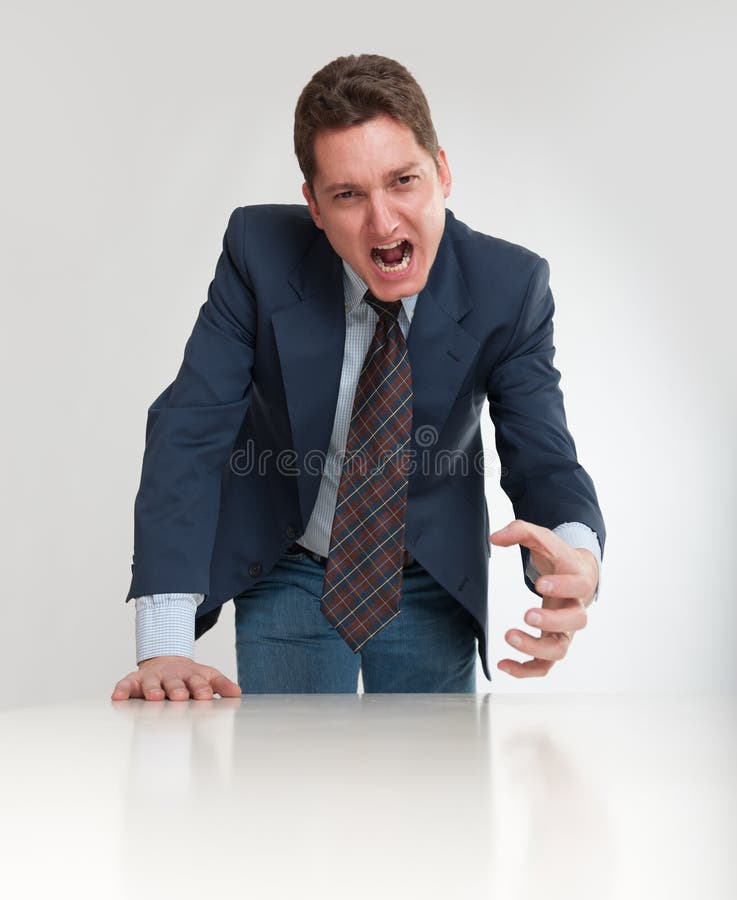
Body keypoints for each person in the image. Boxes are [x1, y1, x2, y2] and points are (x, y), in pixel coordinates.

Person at [112, 54, 604, 701]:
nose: (383, 222)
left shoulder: (509, 286)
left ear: (442, 172)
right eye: (348, 195)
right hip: (293, 568)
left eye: (403, 181)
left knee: (429, 769)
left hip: (429, 575)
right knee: (296, 766)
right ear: (314, 206)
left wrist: (574, 559)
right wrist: (165, 649)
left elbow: (543, 457)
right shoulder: (258, 254)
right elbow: (190, 430)